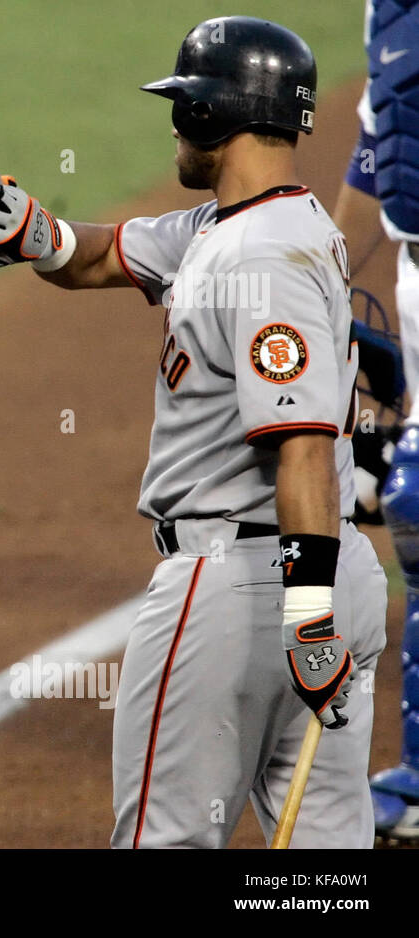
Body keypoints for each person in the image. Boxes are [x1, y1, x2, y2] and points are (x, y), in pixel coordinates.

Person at [0, 16, 387, 847]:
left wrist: (308, 618)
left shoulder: (259, 260)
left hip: (246, 589)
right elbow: (99, 256)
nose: (174, 125)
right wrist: (32, 230)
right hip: (323, 575)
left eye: (184, 105)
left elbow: (300, 449)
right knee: (326, 854)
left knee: (168, 838)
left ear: (215, 118)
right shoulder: (253, 229)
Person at [332, 0, 419, 841]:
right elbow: (382, 141)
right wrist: (314, 295)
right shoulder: (389, 12)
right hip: (416, 276)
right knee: (412, 502)